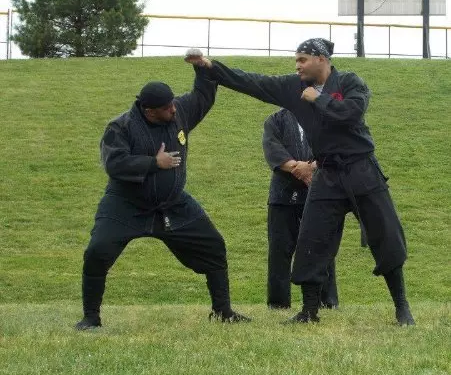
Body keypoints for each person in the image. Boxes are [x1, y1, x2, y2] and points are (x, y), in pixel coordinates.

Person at [185, 39, 415, 326]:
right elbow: (254, 82)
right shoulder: (294, 87)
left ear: (321, 59)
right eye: (296, 60)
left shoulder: (349, 82)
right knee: (312, 238)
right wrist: (211, 67)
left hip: (362, 170)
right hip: (327, 175)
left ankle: (402, 308)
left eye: (302, 59)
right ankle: (309, 311)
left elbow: (352, 113)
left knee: (386, 235)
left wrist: (317, 99)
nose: (297, 65)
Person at [75, 59, 251, 330]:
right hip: (126, 205)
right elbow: (114, 163)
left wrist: (202, 69)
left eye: (172, 104)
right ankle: (90, 318)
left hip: (173, 204)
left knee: (214, 246)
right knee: (97, 251)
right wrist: (153, 163)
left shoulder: (177, 112)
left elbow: (202, 97)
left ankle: (223, 311)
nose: (173, 109)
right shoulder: (120, 127)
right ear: (148, 111)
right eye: (166, 108)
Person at [263, 108, 338, 310]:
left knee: (322, 248)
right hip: (281, 196)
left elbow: (331, 149)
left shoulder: (323, 119)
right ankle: (278, 304)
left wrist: (310, 167)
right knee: (279, 250)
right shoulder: (275, 121)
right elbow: (272, 150)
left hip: (316, 194)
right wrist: (299, 168)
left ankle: (327, 301)